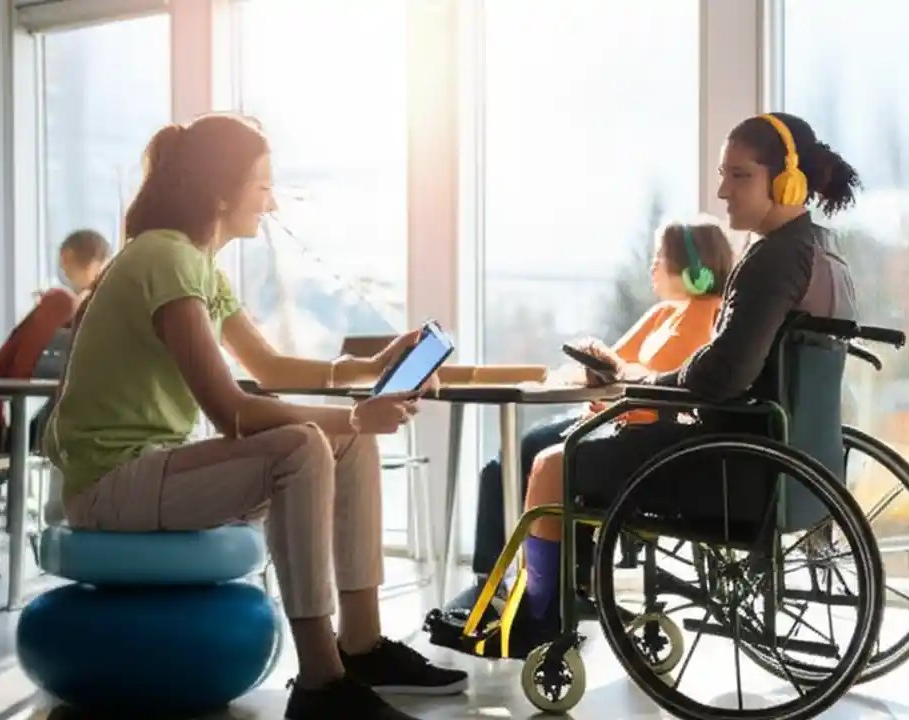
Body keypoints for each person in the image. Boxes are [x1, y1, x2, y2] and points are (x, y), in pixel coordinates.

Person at [43, 114, 465, 720]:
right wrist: (353, 417)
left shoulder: (195, 264)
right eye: (263, 186)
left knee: (348, 442)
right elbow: (232, 412)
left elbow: (266, 364)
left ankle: (362, 645)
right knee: (306, 445)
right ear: (221, 192)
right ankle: (322, 683)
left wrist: (369, 364)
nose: (270, 204)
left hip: (147, 472)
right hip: (109, 485)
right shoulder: (164, 259)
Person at [489, 111, 861, 657]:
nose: (722, 191)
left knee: (551, 464)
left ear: (786, 181)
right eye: (722, 174)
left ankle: (537, 618)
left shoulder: (773, 260)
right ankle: (551, 595)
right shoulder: (823, 254)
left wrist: (642, 384)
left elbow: (724, 375)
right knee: (565, 450)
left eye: (739, 176)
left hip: (729, 468)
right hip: (794, 460)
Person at [451, 219, 735, 611]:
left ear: (694, 268)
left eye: (660, 258)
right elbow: (617, 360)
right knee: (504, 463)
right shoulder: (662, 314)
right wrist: (597, 361)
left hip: (643, 431)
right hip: (608, 414)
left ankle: (544, 588)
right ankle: (497, 581)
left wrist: (623, 374)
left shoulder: (715, 317)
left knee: (533, 456)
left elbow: (681, 384)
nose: (652, 267)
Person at [0, 229, 111, 381]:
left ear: (68, 256)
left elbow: (20, 366)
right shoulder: (104, 305)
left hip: (23, 384)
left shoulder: (63, 302)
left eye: (64, 263)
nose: (63, 270)